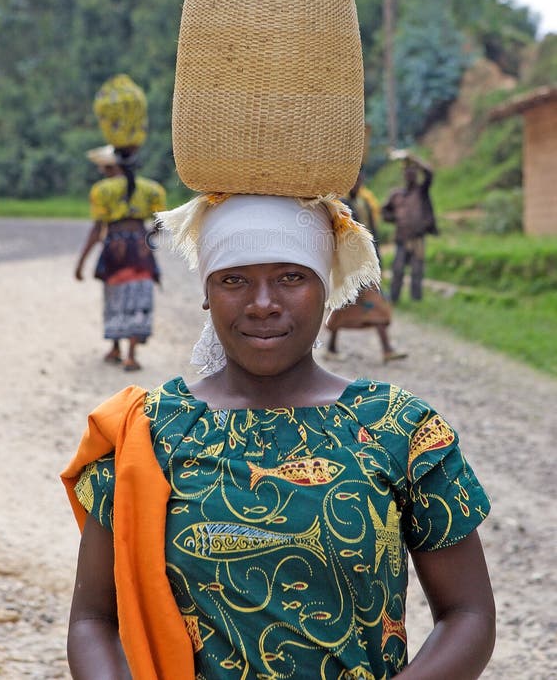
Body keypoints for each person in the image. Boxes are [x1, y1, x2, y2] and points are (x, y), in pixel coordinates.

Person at [63, 194, 495, 679]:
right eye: (234, 280)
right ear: (206, 291)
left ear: (325, 286)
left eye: (291, 277)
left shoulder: (395, 426)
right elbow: (94, 620)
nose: (263, 304)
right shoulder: (148, 430)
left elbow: (468, 615)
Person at [74, 144, 166, 372]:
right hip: (140, 247)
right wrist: (149, 236)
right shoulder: (152, 189)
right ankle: (131, 356)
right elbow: (161, 221)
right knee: (138, 296)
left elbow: (97, 230)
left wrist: (81, 262)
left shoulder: (102, 191)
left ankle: (116, 348)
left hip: (114, 248)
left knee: (114, 295)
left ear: (109, 167)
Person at [326, 171, 407, 364]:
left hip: (367, 263)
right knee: (348, 302)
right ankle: (384, 348)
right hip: (351, 263)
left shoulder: (366, 204)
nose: (357, 184)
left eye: (359, 181)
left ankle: (384, 348)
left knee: (368, 301)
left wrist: (377, 259)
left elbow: (373, 233)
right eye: (354, 181)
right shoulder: (341, 206)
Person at [382, 152, 438, 303]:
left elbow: (430, 174)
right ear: (404, 175)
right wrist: (395, 218)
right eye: (408, 172)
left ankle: (416, 300)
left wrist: (417, 161)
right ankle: (394, 298)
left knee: (417, 270)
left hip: (417, 239)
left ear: (416, 174)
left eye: (413, 172)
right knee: (398, 270)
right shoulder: (396, 195)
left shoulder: (421, 191)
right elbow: (384, 211)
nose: (410, 175)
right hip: (401, 239)